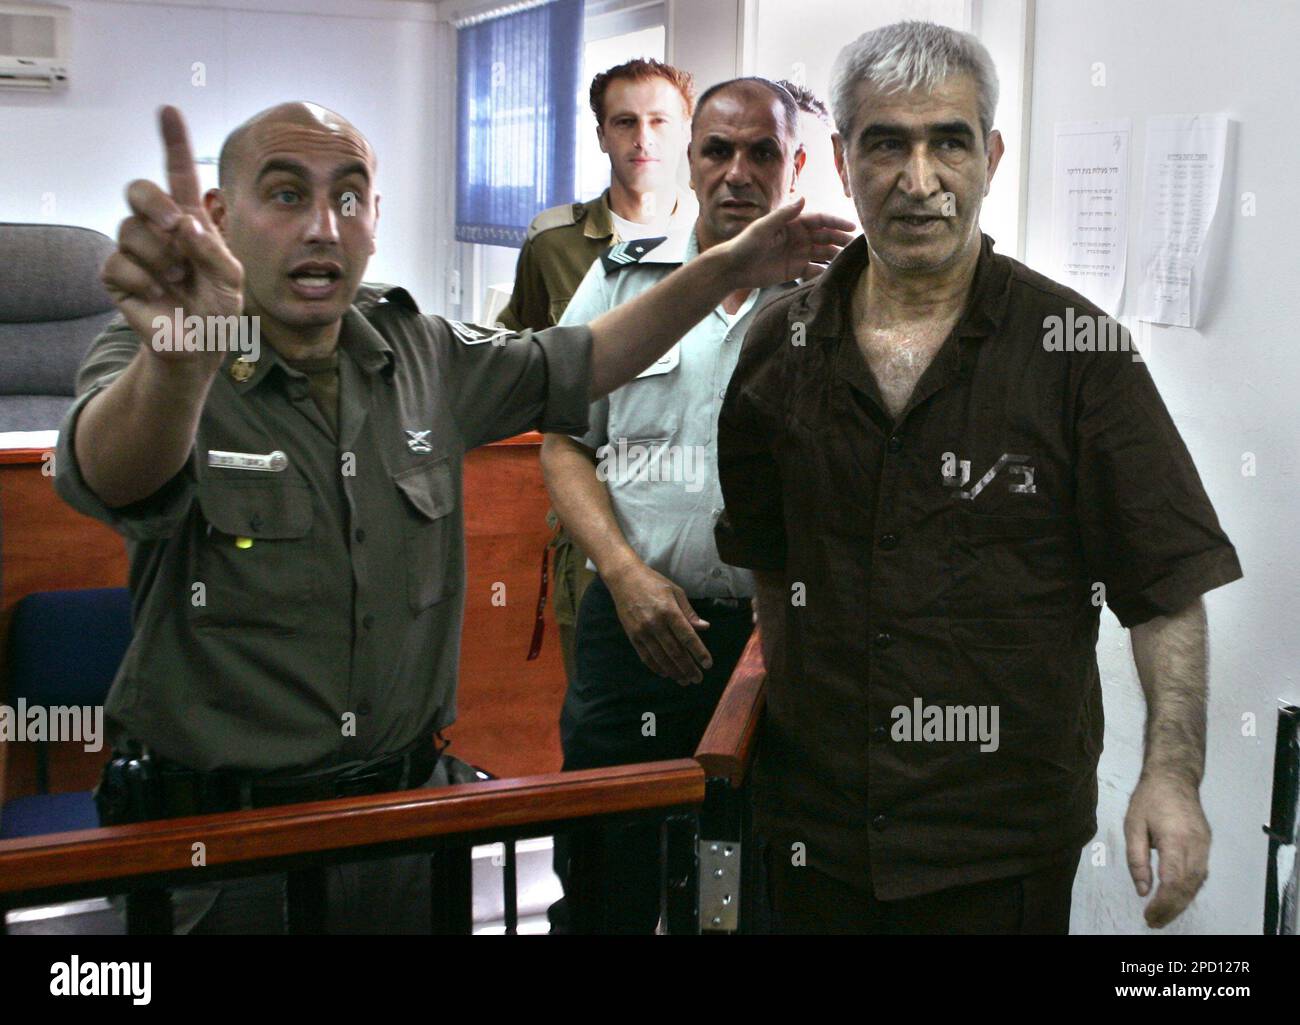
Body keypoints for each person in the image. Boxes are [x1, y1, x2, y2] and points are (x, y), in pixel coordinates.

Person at [54, 101, 853, 933]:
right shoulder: (163, 348)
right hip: (224, 857)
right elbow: (112, 476)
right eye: (287, 195)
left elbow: (588, 357)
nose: (325, 225)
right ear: (220, 217)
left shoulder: (421, 355)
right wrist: (179, 366)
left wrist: (726, 268)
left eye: (352, 197)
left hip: (407, 836)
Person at [715, 21, 1242, 934]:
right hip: (818, 835)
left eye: (948, 141)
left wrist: (1171, 773)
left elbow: (1165, 587)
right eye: (887, 143)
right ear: (843, 161)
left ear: (990, 157)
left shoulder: (1079, 356)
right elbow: (767, 563)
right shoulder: (778, 348)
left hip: (999, 850)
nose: (919, 181)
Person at [542, 77, 807, 934]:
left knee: (732, 893)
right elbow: (565, 442)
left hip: (771, 652)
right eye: (718, 150)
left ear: (795, 165)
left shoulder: (834, 295)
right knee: (604, 883)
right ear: (690, 163)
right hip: (634, 628)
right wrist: (621, 574)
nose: (737, 172)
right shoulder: (624, 277)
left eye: (761, 151)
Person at [496, 58, 698, 698]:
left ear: (686, 132)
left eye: (660, 121)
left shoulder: (728, 242)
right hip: (597, 534)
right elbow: (519, 367)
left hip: (709, 536)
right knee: (602, 728)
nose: (644, 139)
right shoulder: (553, 245)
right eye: (625, 122)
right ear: (601, 135)